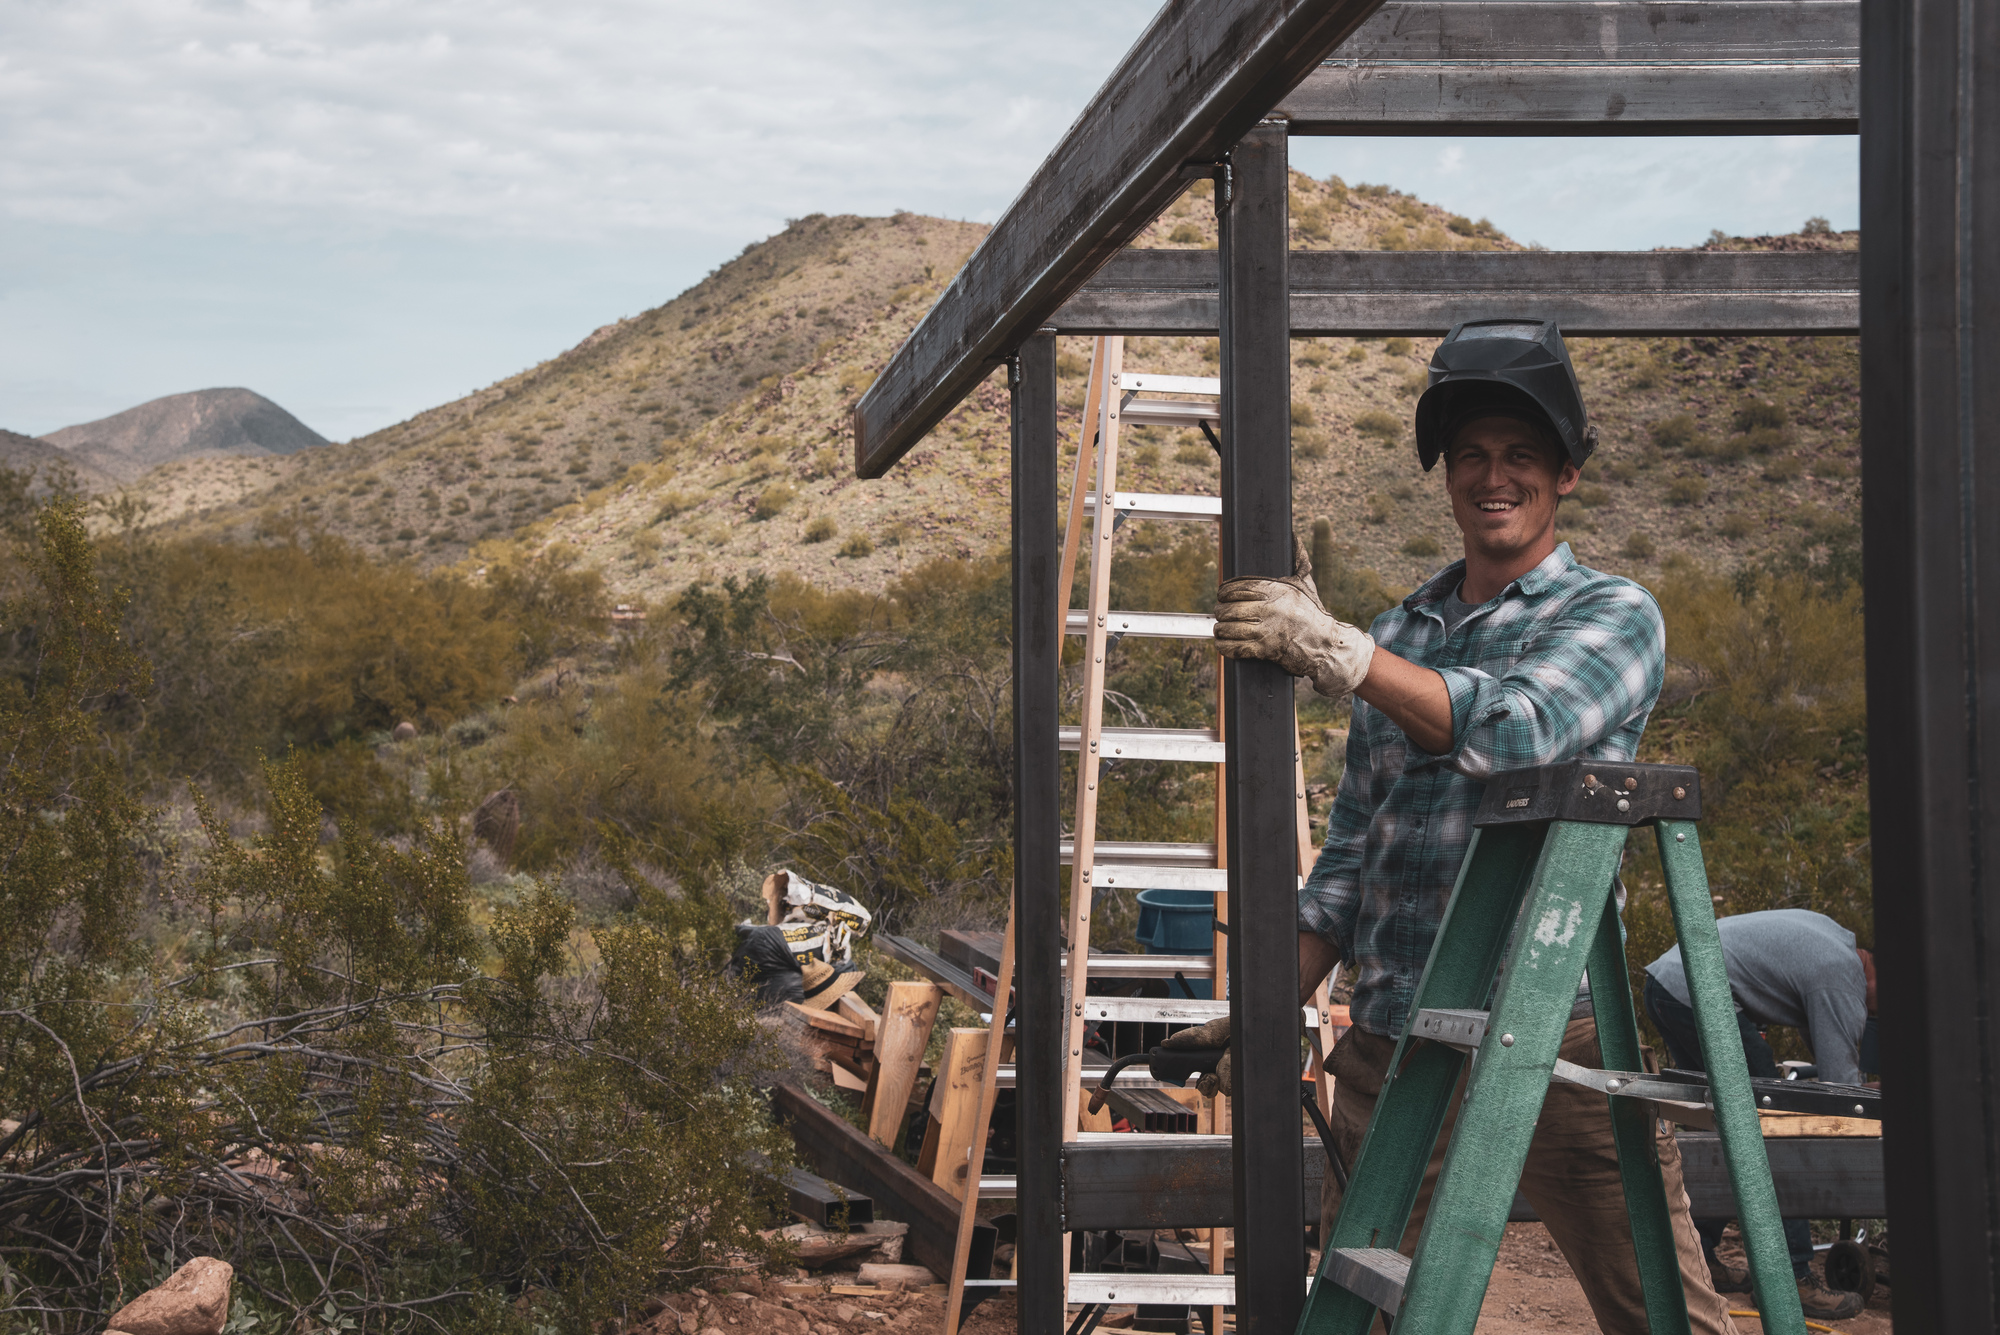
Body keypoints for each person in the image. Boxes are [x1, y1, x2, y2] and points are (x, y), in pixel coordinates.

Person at [1190, 318, 1737, 1334]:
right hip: (1397, 1034)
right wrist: (1271, 1004)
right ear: (1445, 476)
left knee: (1661, 1313)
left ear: (1564, 474)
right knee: (1367, 1316)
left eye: (1519, 457)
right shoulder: (1402, 633)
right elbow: (1353, 848)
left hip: (1550, 1026)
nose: (1493, 476)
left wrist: (1343, 655)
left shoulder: (1611, 615)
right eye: (1471, 456)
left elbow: (1524, 733)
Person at [1643, 908, 1877, 1318]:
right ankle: (1792, 1275)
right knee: (1770, 1119)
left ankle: (1699, 1260)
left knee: (1725, 1126)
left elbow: (1826, 1052)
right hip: (1695, 991)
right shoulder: (1843, 978)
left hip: (1668, 985)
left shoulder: (1836, 943)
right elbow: (1843, 1090)